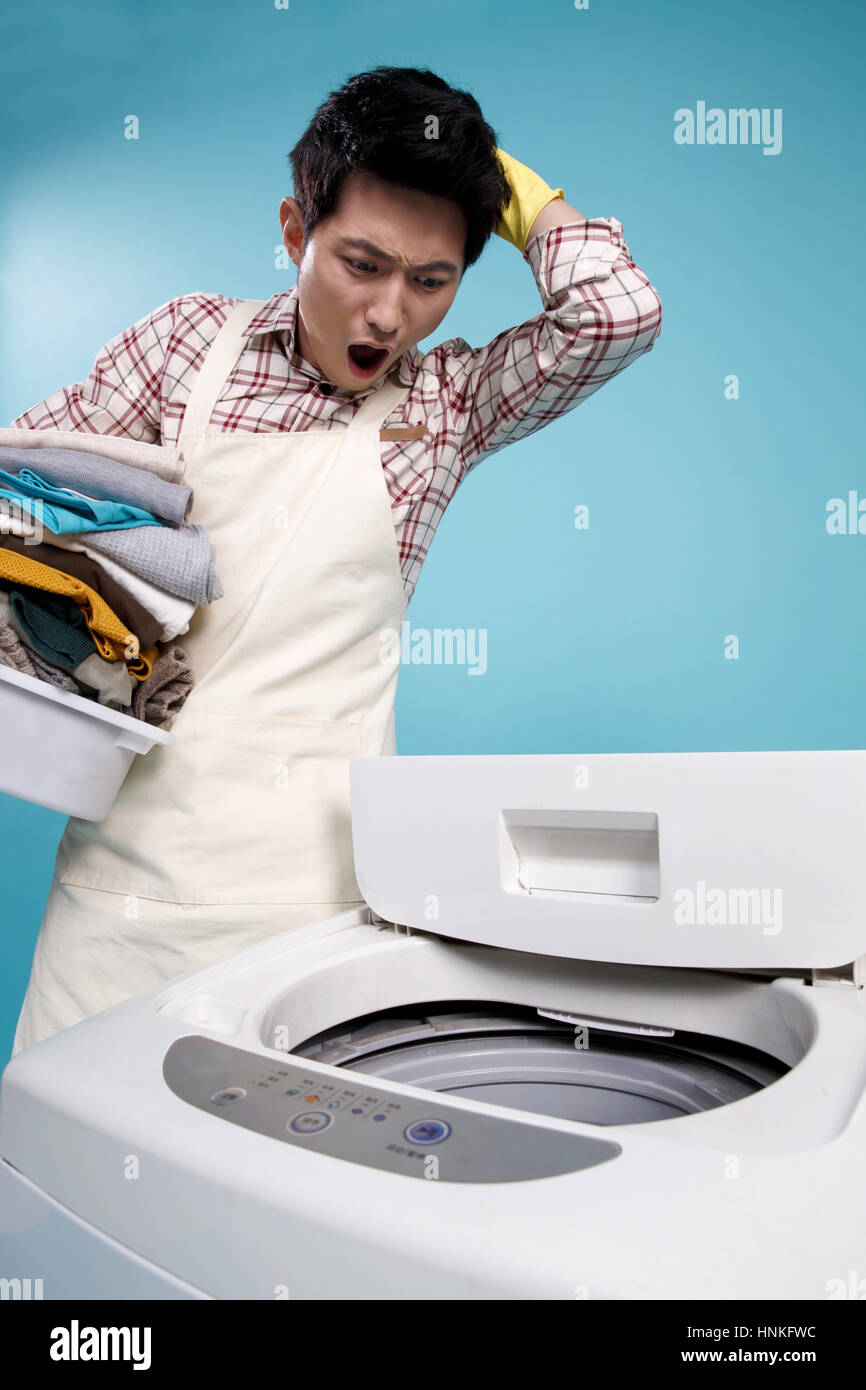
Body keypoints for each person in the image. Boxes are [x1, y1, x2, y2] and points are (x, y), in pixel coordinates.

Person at [7, 65, 662, 1055]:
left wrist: (501, 183)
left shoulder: (446, 407)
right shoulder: (187, 345)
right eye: (360, 262)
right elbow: (21, 504)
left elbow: (617, 313)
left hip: (314, 918)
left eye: (431, 280)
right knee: (53, 1193)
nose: (389, 314)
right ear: (291, 230)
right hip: (121, 899)